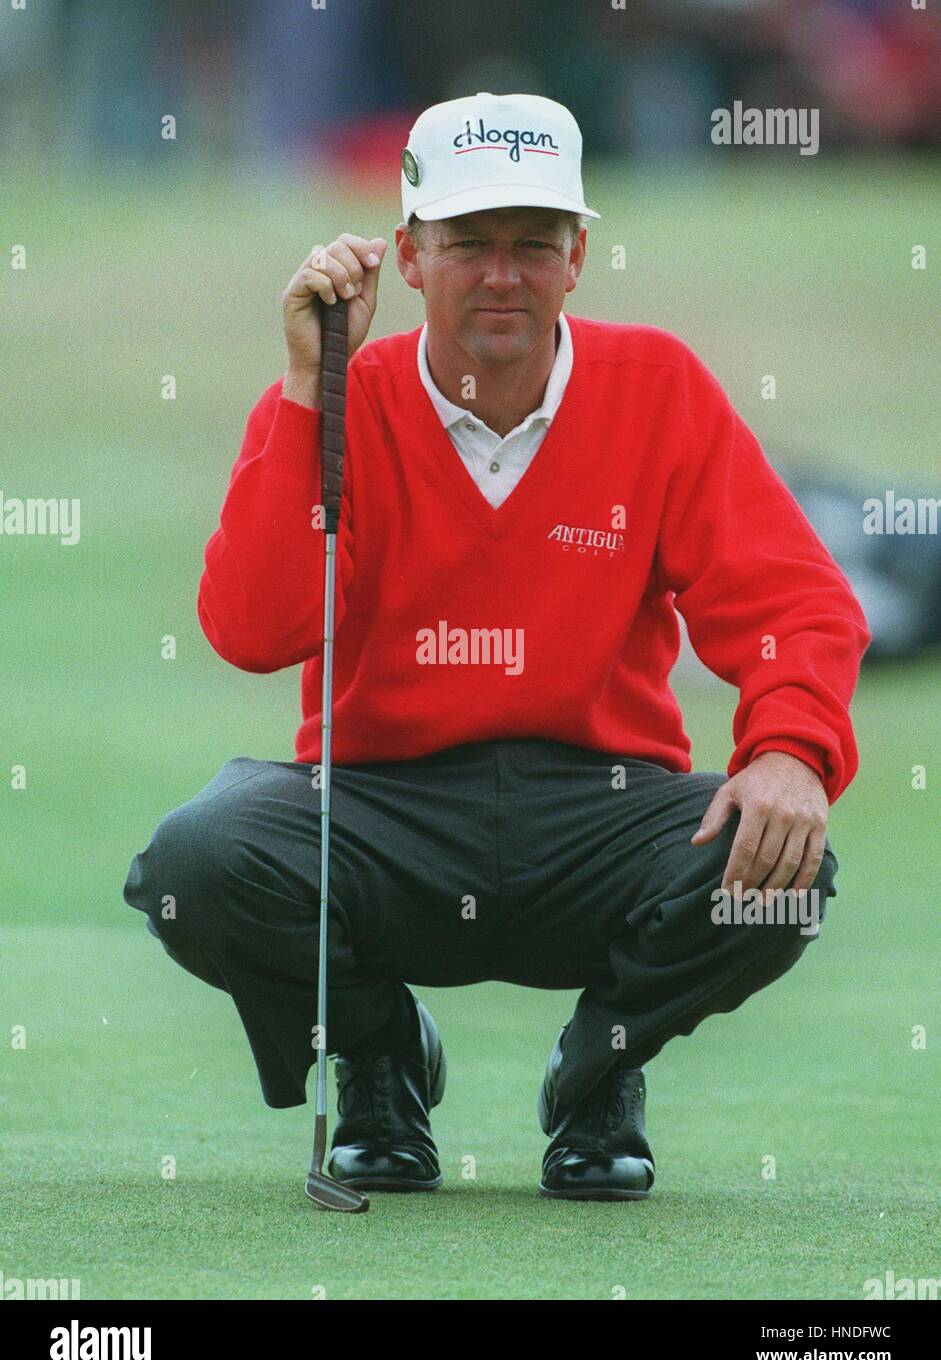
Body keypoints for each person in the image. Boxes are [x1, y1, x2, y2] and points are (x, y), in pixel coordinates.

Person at [124, 93, 871, 1201]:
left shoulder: (655, 386)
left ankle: (596, 1074)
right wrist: (300, 391)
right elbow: (250, 630)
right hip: (380, 810)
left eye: (533, 243)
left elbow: (792, 602)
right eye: (468, 243)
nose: (502, 273)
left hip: (598, 807)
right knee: (198, 861)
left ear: (578, 256)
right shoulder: (339, 400)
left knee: (780, 872)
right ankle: (378, 1055)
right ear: (410, 257)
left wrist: (789, 750)